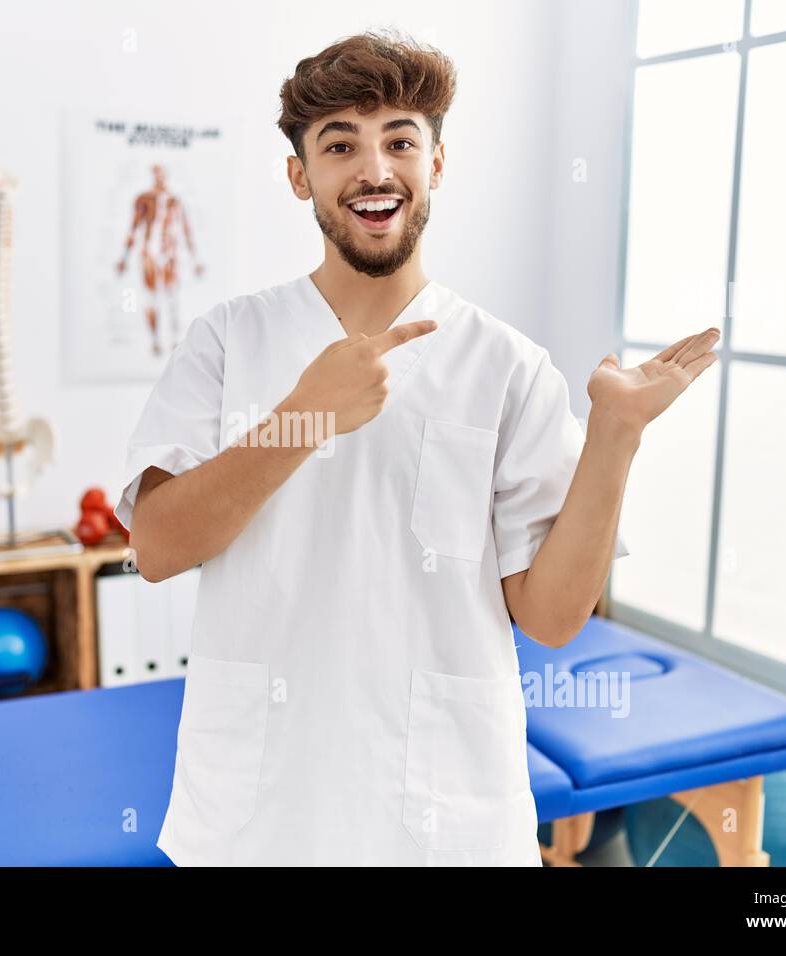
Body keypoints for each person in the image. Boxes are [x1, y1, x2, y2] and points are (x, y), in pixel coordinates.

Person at [114, 30, 719, 866]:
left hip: (442, 817)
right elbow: (155, 545)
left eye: (401, 139)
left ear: (437, 164)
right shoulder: (227, 342)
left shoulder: (507, 367)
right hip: (257, 817)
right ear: (300, 176)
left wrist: (615, 437)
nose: (374, 170)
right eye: (339, 145)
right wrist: (303, 418)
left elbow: (548, 617)